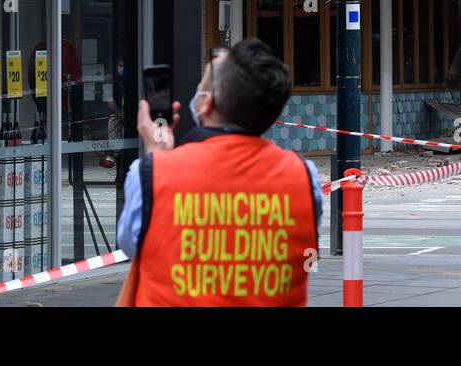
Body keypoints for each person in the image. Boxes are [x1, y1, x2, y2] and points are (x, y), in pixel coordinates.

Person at [115, 40, 323, 306]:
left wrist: (157, 154)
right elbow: (305, 260)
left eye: (201, 87)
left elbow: (135, 248)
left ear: (207, 104)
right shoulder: (305, 177)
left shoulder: (150, 174)